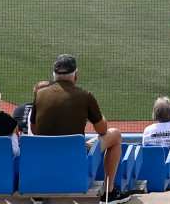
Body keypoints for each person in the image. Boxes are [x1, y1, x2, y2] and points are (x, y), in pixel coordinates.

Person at [31, 54, 128, 203]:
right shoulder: (85, 96)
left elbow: (34, 130)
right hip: (75, 157)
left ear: (54, 75)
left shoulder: (40, 94)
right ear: (76, 75)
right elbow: (102, 130)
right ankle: (109, 193)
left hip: (45, 158)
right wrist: (99, 116)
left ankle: (39, 192)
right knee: (115, 134)